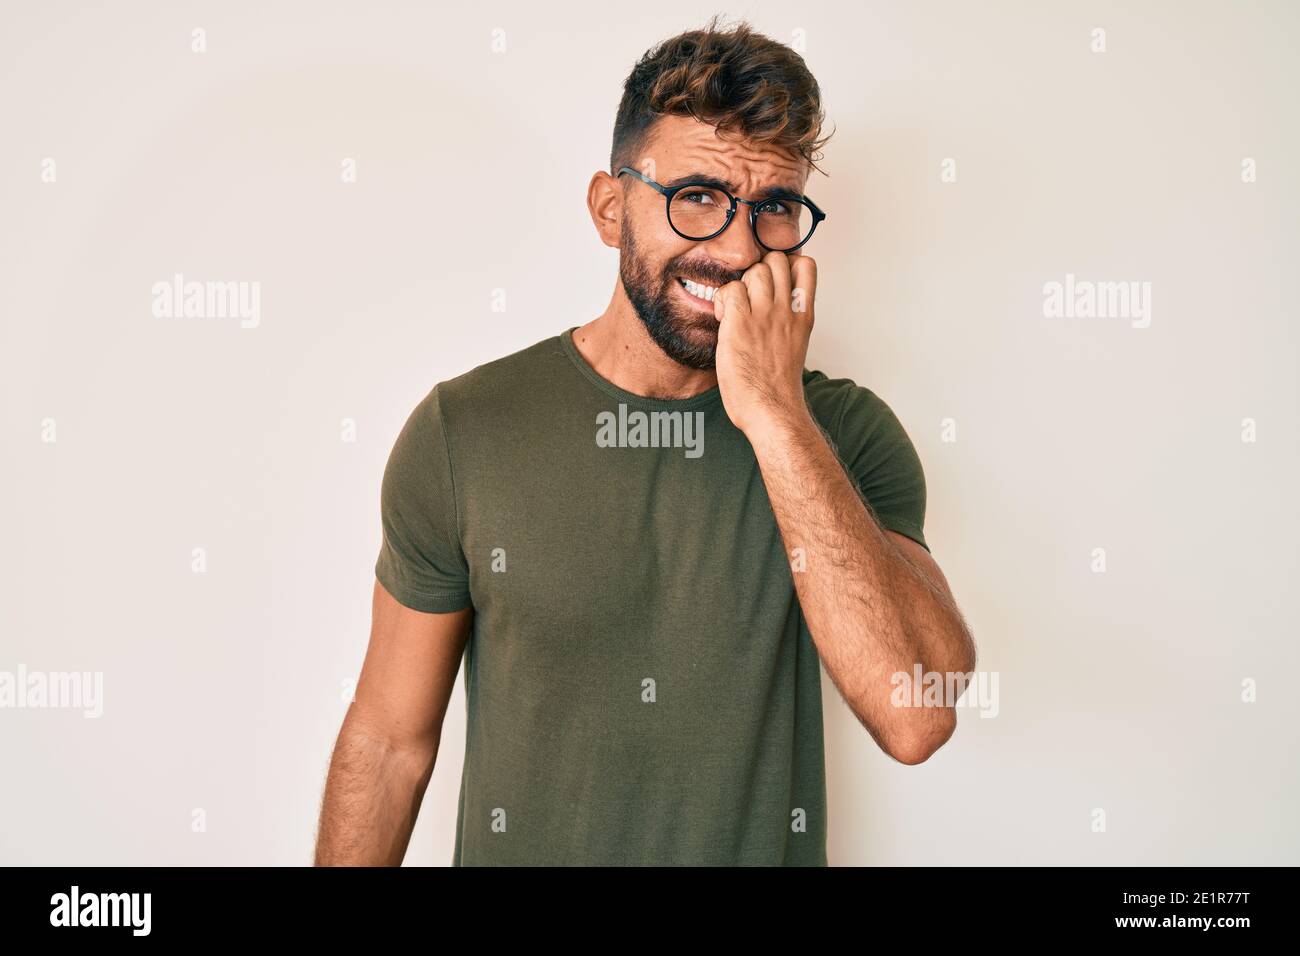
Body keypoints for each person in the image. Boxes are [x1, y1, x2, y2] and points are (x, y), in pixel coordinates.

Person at [315, 16, 975, 867]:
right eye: (696, 196)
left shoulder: (842, 433)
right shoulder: (465, 429)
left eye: (772, 208)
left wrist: (776, 416)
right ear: (610, 207)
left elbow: (917, 716)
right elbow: (388, 742)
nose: (736, 248)